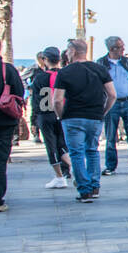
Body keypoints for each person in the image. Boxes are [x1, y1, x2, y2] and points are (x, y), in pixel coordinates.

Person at [53, 39, 115, 203]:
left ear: (73, 51)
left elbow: (57, 100)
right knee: (92, 150)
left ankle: (85, 190)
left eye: (67, 50)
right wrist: (103, 111)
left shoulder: (65, 72)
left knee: (76, 153)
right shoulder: (100, 69)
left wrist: (61, 116)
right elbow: (112, 94)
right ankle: (95, 186)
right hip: (94, 116)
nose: (66, 53)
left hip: (73, 116)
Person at [97, 36, 128, 176]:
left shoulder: (127, 62)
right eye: (120, 47)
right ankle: (110, 166)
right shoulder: (102, 63)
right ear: (112, 49)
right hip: (111, 103)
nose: (123, 49)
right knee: (111, 136)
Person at [29, 46, 72, 190]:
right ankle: (74, 168)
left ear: (45, 60)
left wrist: (33, 120)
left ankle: (59, 176)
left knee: (51, 146)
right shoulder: (65, 74)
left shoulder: (39, 78)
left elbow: (35, 101)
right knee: (62, 145)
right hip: (63, 114)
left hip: (45, 114)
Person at [0, 46, 25, 212]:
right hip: (5, 121)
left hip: (5, 122)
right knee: (0, 160)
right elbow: (20, 92)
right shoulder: (7, 70)